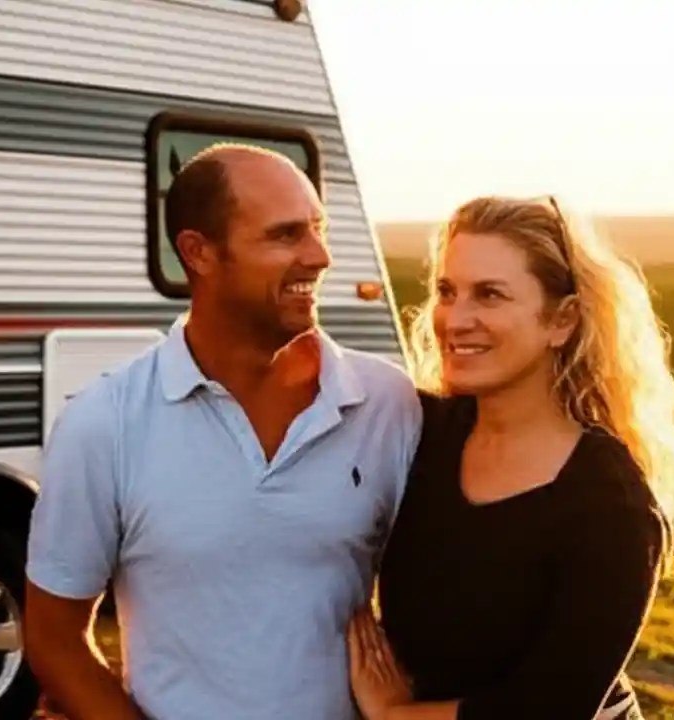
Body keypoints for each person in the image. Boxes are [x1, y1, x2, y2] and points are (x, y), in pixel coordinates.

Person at [23, 143, 421, 719]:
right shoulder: (103, 423)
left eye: (318, 227)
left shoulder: (389, 403)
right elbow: (54, 640)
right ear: (199, 253)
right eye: (286, 235)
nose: (321, 255)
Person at [346, 195, 674, 719]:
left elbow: (549, 708)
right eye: (447, 291)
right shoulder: (418, 433)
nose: (455, 319)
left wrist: (396, 715)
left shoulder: (610, 502)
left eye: (489, 295)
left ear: (561, 321)